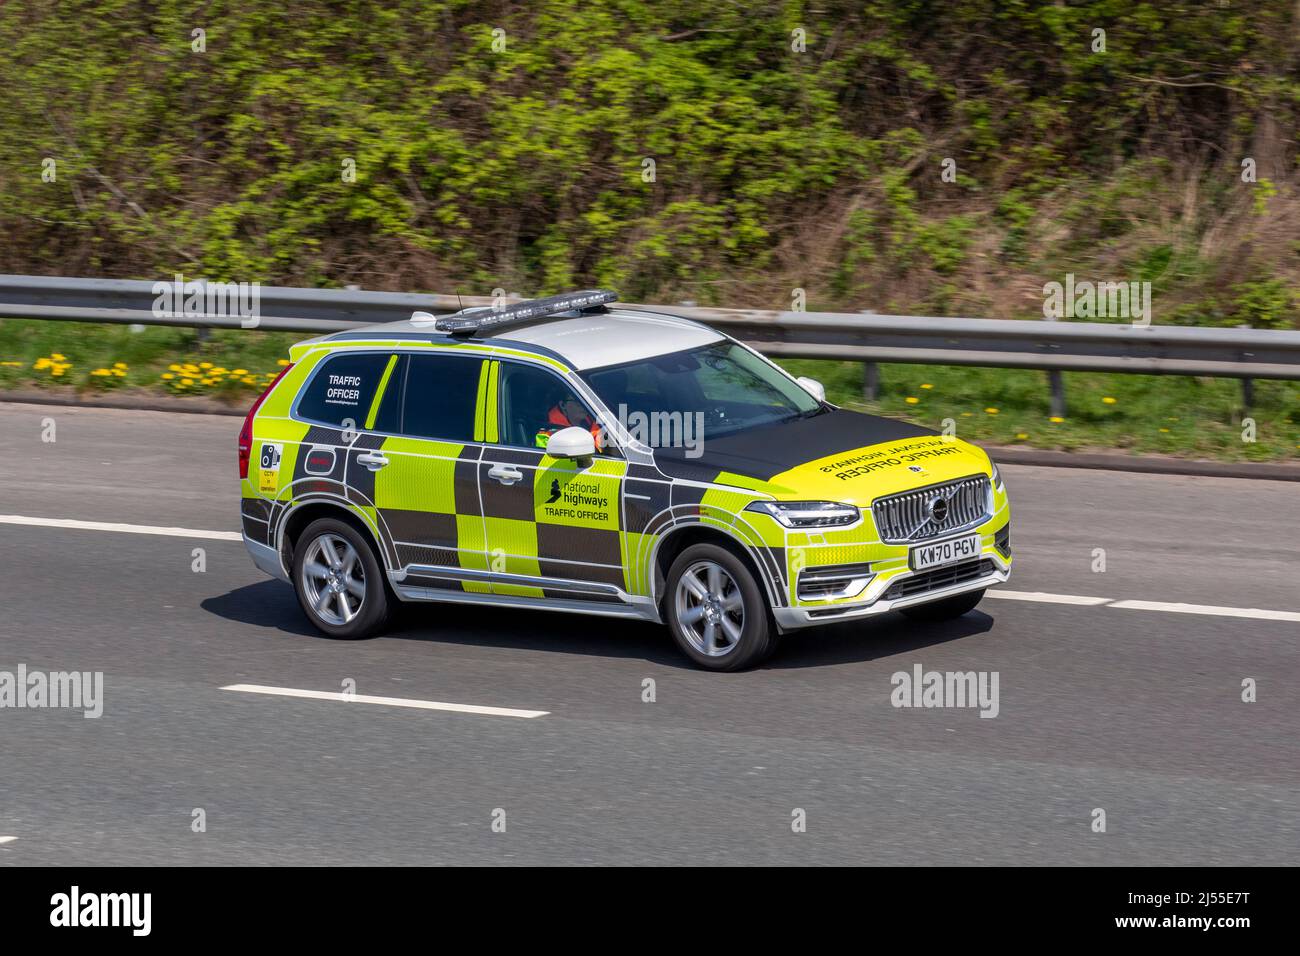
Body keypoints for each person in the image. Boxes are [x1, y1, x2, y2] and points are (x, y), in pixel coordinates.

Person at [535, 392, 603, 451]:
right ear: (562, 405)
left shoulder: (599, 422)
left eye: (585, 401)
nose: (583, 405)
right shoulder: (547, 435)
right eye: (577, 401)